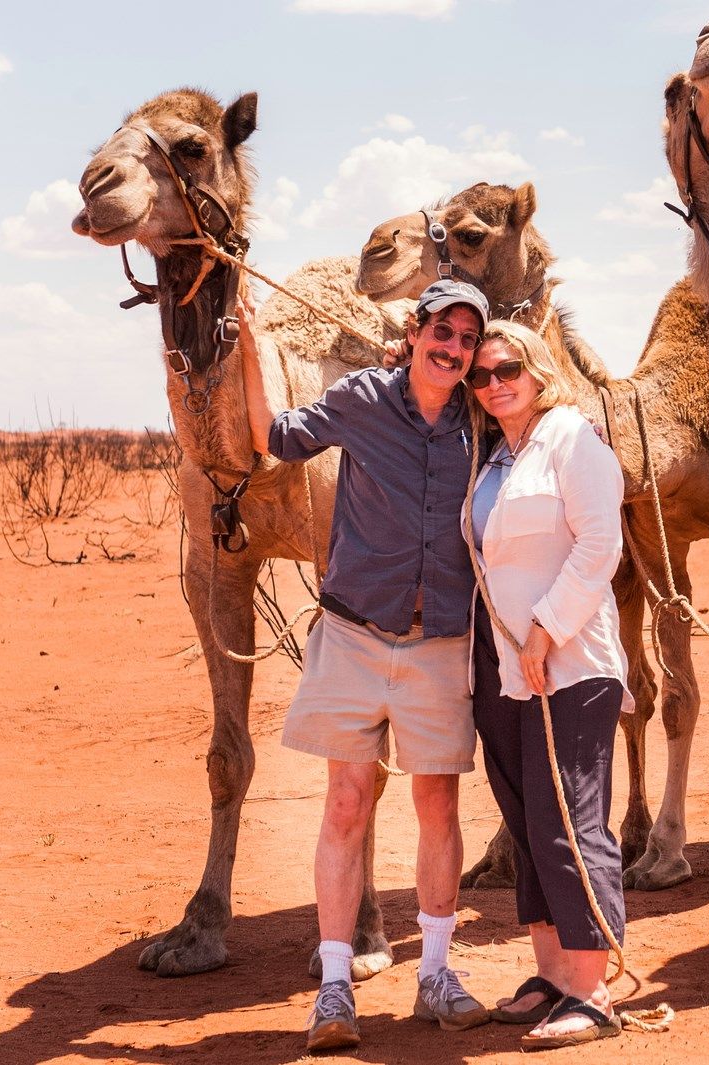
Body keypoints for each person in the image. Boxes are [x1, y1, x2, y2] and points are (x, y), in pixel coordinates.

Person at [237, 278, 494, 1054]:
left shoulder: (481, 418)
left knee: (437, 807)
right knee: (346, 803)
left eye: (466, 339)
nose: (451, 347)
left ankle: (438, 974)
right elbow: (274, 438)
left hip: (441, 640)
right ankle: (335, 986)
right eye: (440, 331)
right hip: (354, 634)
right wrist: (250, 345)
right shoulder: (360, 399)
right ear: (414, 332)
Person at [462, 319, 630, 1050]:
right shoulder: (496, 457)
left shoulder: (572, 439)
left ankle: (593, 990)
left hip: (569, 659)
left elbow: (602, 542)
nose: (494, 383)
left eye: (507, 369)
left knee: (571, 818)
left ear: (536, 370)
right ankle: (553, 973)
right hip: (503, 668)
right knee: (528, 819)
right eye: (481, 375)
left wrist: (546, 628)